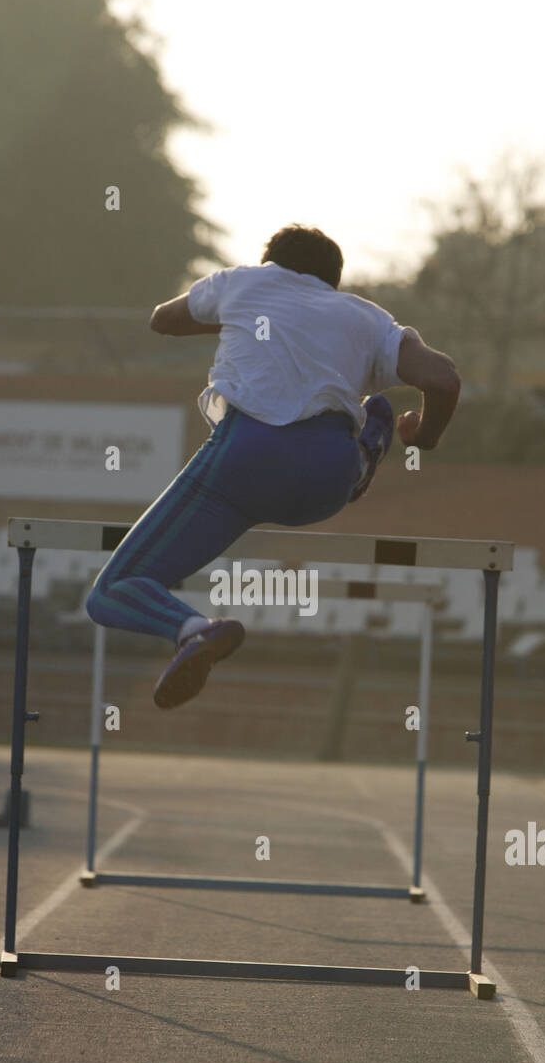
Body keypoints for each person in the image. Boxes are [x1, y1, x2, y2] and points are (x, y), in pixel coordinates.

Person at [86, 224, 460, 709]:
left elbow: (163, 320)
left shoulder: (242, 283)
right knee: (368, 416)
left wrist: (230, 313)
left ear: (272, 265)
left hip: (239, 466)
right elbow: (444, 380)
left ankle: (195, 631)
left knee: (113, 590)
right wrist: (424, 438)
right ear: (333, 282)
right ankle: (365, 453)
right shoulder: (366, 318)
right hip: (323, 482)